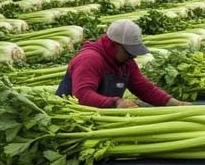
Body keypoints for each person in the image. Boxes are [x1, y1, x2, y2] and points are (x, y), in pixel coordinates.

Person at [57, 19, 188, 109]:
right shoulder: (90, 60)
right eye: (130, 51)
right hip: (75, 122)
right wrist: (116, 102)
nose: (134, 55)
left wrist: (174, 103)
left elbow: (144, 88)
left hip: (104, 115)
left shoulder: (125, 61)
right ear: (115, 45)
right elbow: (82, 96)